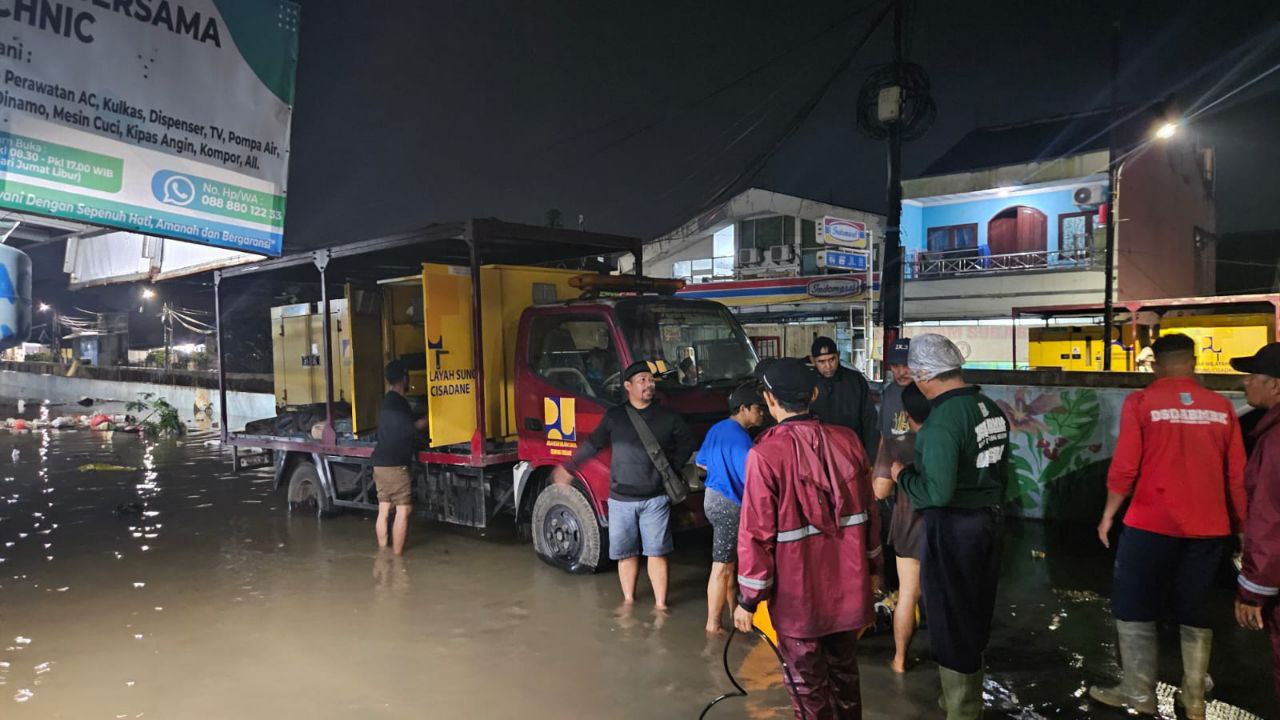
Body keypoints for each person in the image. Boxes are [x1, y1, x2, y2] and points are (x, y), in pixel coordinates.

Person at [1089, 333, 1246, 719]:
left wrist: (1109, 514)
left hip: (1149, 524)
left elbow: (1125, 466)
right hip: (1210, 528)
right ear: (1193, 363)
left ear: (1156, 365)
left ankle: (1139, 694)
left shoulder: (1141, 401)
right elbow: (1237, 477)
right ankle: (1193, 698)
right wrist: (1241, 530)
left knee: (1134, 606)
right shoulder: (1222, 408)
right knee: (1194, 608)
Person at [735, 358, 882, 719]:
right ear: (814, 394)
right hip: (849, 590)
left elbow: (756, 535)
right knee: (846, 678)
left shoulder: (764, 454)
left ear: (769, 400)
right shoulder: (849, 441)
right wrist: (875, 570)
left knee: (807, 690)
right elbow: (872, 516)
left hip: (798, 601)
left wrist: (748, 600)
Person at [889, 334, 1009, 720]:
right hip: (989, 521)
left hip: (955, 528)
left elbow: (936, 493)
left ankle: (961, 709)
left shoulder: (942, 422)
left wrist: (903, 476)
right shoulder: (989, 408)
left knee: (951, 617)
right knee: (974, 611)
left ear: (926, 376)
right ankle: (964, 699)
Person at [552, 361, 694, 609]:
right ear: (628, 386)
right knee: (625, 554)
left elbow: (686, 443)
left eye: (651, 380)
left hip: (656, 499)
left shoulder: (668, 417)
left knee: (657, 553)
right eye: (642, 380)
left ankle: (661, 605)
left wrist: (670, 467)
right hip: (620, 500)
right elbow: (593, 444)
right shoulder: (615, 417)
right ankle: (628, 601)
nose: (649, 384)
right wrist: (569, 468)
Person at [1229, 343, 1280, 706]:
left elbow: (1269, 518)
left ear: (1275, 384)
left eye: (1252, 376)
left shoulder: (1275, 441)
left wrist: (1253, 591)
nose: (1245, 383)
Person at [697, 383, 767, 633]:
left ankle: (731, 614)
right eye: (758, 408)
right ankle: (713, 625)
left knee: (729, 562)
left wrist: (722, 472)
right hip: (730, 505)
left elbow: (701, 462)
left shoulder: (717, 429)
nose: (762, 413)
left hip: (712, 498)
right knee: (722, 565)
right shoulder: (741, 440)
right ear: (744, 408)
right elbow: (753, 480)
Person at [873, 381, 931, 674]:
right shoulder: (948, 434)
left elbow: (880, 490)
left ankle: (900, 660)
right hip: (951, 523)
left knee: (908, 593)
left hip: (910, 519)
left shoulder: (895, 444)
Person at [370, 361, 429, 556]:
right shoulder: (399, 403)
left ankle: (382, 554)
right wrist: (431, 419)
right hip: (395, 465)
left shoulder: (388, 400)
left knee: (384, 508)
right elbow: (408, 429)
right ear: (405, 378)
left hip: (379, 463)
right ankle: (396, 558)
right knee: (404, 510)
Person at [809, 336, 879, 458]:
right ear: (813, 360)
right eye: (822, 361)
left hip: (853, 452)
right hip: (820, 454)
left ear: (838, 355)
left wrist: (872, 457)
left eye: (832, 359)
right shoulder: (807, 383)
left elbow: (870, 419)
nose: (828, 366)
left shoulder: (856, 380)